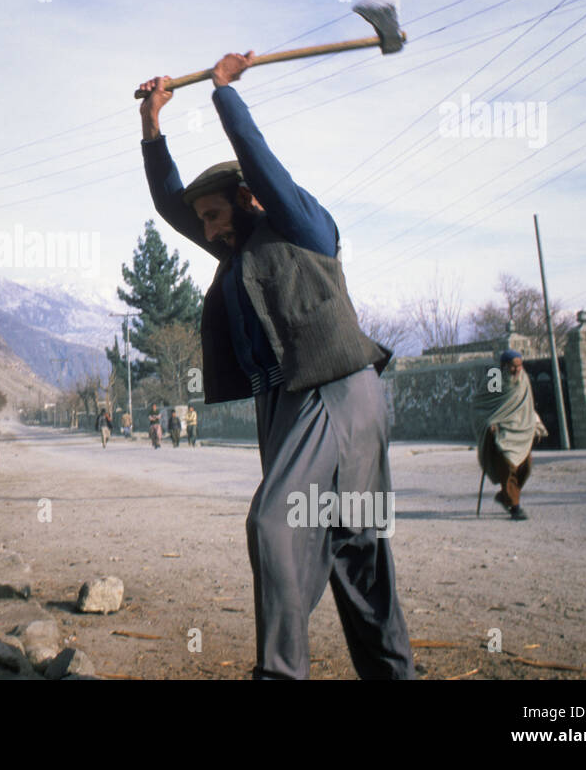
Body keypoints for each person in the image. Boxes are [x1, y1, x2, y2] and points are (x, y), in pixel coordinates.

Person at [137, 56, 413, 680]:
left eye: (215, 214)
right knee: (352, 553)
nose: (206, 228)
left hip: (336, 394)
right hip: (290, 406)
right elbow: (171, 206)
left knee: (277, 524)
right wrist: (153, 127)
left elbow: (260, 160)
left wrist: (224, 93)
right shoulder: (234, 249)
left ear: (247, 199)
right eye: (204, 219)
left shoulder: (302, 227)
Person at [472, 349, 547, 521]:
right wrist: (489, 422)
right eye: (514, 367)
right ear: (504, 366)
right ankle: (515, 507)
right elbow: (483, 404)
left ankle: (505, 496)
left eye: (520, 366)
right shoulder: (495, 377)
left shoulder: (523, 377)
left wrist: (535, 422)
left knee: (525, 467)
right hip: (502, 431)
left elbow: (526, 403)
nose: (517, 370)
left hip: (521, 430)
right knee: (507, 468)